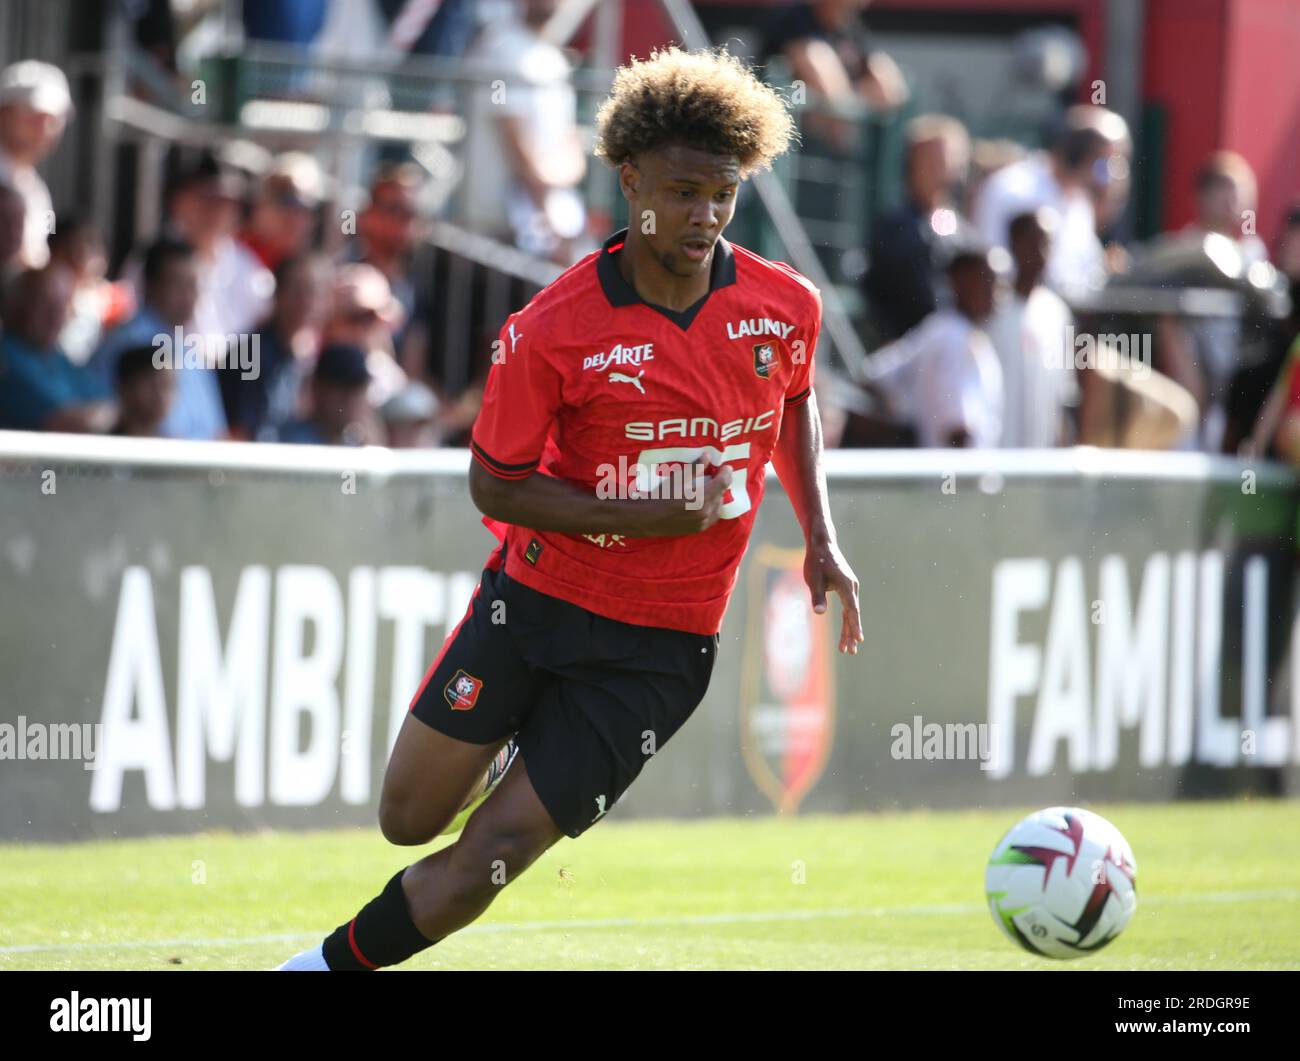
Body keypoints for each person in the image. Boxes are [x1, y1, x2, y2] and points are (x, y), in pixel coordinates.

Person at [277, 45, 862, 973]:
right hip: (535, 604)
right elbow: (494, 484)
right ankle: (517, 755)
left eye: (724, 192)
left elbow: (792, 401)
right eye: (681, 191)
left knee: (485, 865)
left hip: (658, 650)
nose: (705, 214)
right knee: (408, 819)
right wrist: (642, 516)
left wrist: (822, 534)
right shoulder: (551, 330)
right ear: (630, 178)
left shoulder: (784, 305)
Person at [462, 0, 589, 264]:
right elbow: (517, 145)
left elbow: (571, 149)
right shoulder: (499, 48)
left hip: (546, 235)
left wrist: (555, 222)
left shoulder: (553, 58)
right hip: (499, 236)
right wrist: (550, 222)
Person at [973, 104, 1130, 300]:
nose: (1111, 174)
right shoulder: (1013, 188)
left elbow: (1085, 278)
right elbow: (995, 268)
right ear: (1080, 155)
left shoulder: (1080, 205)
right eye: (1105, 163)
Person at [867, 242, 1003, 448]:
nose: (995, 292)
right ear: (960, 282)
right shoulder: (953, 337)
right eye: (986, 281)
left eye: (998, 283)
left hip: (944, 472)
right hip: (956, 476)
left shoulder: (945, 330)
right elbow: (958, 430)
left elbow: (877, 375)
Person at [91, 238, 227, 440]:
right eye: (178, 284)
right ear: (150, 286)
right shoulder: (130, 341)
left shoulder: (189, 348)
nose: (187, 296)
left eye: (193, 285)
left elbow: (215, 430)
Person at [864, 114, 970, 341]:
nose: (938, 168)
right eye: (929, 160)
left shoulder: (960, 229)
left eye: (944, 159)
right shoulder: (894, 227)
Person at [984, 209, 1075, 447]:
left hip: (1039, 464)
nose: (1040, 253)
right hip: (995, 457)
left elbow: (1063, 395)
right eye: (1032, 243)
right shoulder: (991, 312)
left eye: (1046, 244)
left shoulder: (1057, 312)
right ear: (1014, 244)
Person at [220, 252, 332, 441]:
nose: (305, 302)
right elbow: (238, 434)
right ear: (278, 292)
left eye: (314, 292)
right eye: (297, 290)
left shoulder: (311, 356)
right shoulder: (249, 354)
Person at [0, 266, 113, 432]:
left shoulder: (57, 357)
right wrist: (102, 414)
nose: (55, 316)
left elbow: (111, 400)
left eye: (61, 306)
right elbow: (67, 422)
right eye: (45, 305)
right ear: (20, 304)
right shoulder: (7, 358)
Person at [0, 60, 72, 270]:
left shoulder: (38, 193)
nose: (45, 127)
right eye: (33, 115)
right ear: (4, 113)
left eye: (54, 119)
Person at [274, 342, 375, 446]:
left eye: (358, 391)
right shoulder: (291, 443)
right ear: (317, 388)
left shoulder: (358, 443)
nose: (351, 401)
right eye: (342, 391)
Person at [110, 344, 176, 437]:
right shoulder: (102, 446)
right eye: (153, 386)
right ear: (126, 388)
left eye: (168, 385)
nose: (161, 395)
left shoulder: (175, 447)